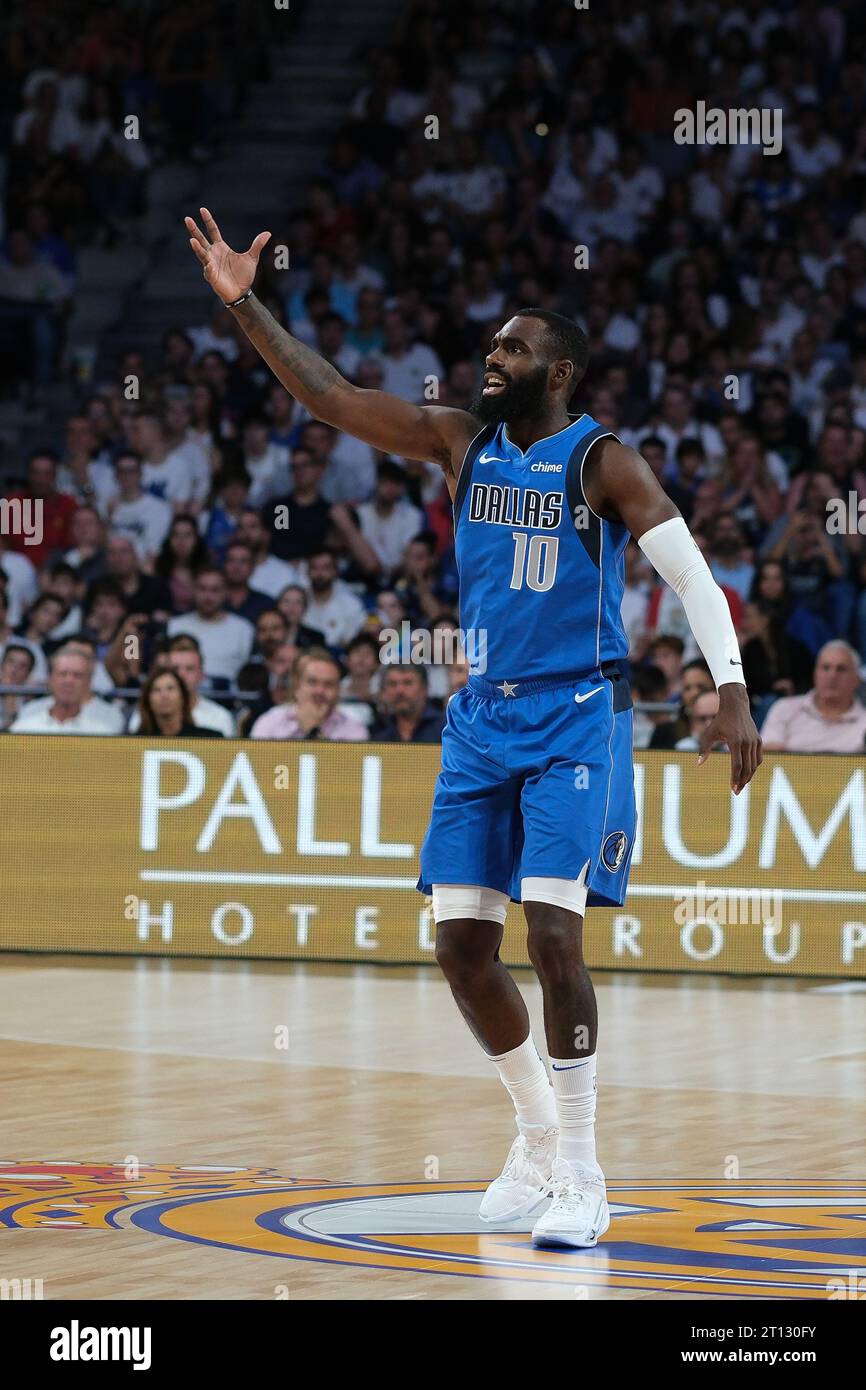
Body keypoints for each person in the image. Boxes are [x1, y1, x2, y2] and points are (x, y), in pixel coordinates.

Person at [185, 211, 760, 1249]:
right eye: (491, 343)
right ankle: (536, 1138)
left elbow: (688, 574)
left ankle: (585, 1175)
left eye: (514, 346)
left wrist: (729, 684)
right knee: (458, 946)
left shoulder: (602, 462)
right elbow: (325, 395)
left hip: (576, 716)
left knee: (550, 932)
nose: (491, 354)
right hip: (480, 722)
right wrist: (242, 302)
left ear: (562, 372)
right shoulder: (458, 439)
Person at [759, 641, 866, 753]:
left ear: (857, 680)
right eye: (825, 668)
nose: (832, 675)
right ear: (815, 674)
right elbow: (768, 757)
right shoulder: (784, 709)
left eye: (841, 669)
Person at [249, 647, 367, 740]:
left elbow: (341, 770)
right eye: (312, 682)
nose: (320, 691)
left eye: (328, 684)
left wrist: (314, 730)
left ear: (338, 691)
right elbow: (259, 767)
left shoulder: (353, 729)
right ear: (297, 686)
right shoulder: (270, 722)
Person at [9, 646, 124, 734]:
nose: (69, 681)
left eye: (77, 675)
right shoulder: (24, 726)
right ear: (50, 679)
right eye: (62, 674)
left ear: (88, 683)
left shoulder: (103, 731)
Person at [167, 567, 254, 682]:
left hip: (228, 697)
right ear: (193, 590)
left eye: (215, 590)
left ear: (226, 592)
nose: (208, 596)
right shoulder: (174, 626)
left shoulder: (244, 628)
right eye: (202, 589)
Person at [134, 667, 222, 738]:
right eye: (156, 690)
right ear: (147, 700)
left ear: (183, 697)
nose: (164, 695)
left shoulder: (210, 739)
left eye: (170, 688)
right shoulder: (132, 743)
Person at [372, 664, 446, 743]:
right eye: (393, 684)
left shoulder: (446, 728)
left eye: (408, 683)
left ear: (424, 688)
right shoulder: (377, 730)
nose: (399, 691)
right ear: (384, 691)